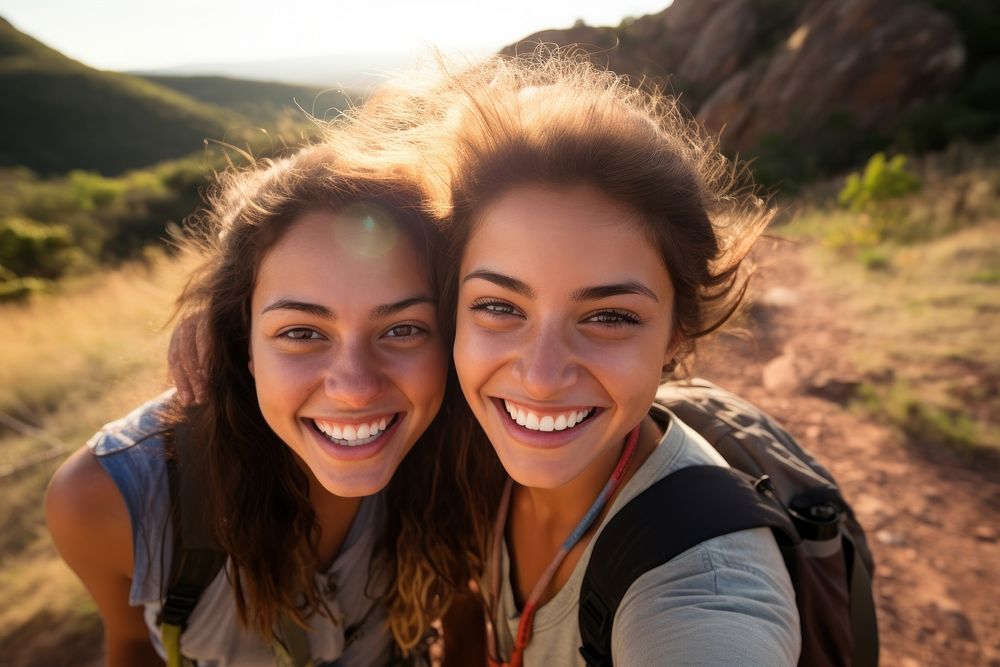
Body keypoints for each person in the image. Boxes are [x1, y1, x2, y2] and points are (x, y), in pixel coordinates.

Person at [393, 52, 804, 665]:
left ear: (676, 334)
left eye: (609, 317)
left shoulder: (708, 590)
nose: (540, 375)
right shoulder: (465, 437)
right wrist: (224, 327)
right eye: (500, 307)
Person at [44, 143, 468, 666]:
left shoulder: (468, 452)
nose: (355, 388)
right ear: (241, 340)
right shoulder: (103, 503)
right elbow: (133, 645)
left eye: (403, 329)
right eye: (301, 332)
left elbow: (465, 616)